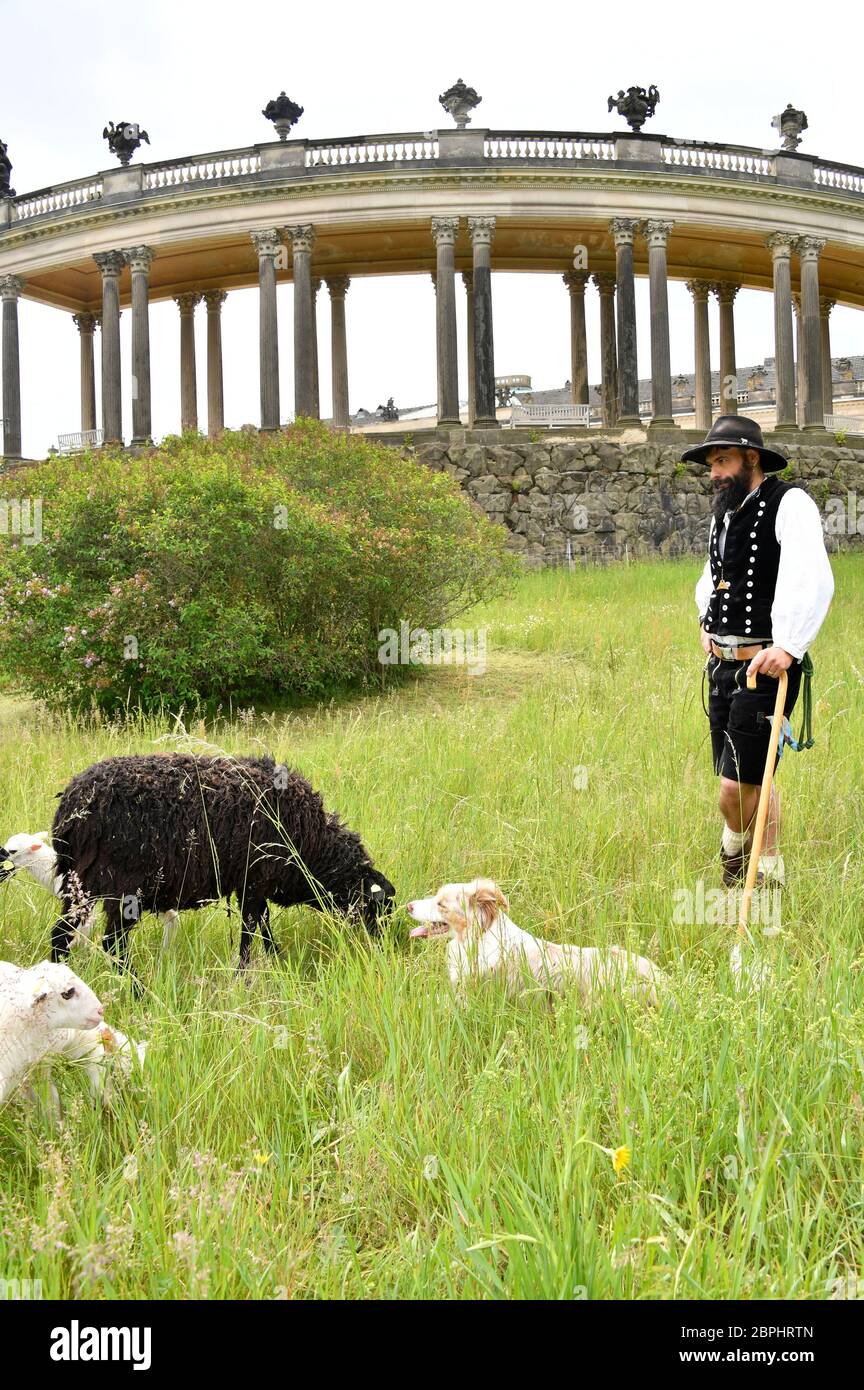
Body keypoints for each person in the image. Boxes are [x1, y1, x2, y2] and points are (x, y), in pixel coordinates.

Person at [683, 416, 834, 886]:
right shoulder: (725, 512)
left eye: (722, 460)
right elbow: (715, 577)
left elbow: (810, 575)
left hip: (765, 670)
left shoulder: (789, 504)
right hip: (722, 667)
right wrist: (708, 623)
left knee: (741, 781)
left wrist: (788, 645)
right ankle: (735, 846)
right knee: (741, 784)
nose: (714, 473)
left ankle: (765, 875)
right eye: (711, 464)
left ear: (751, 457)